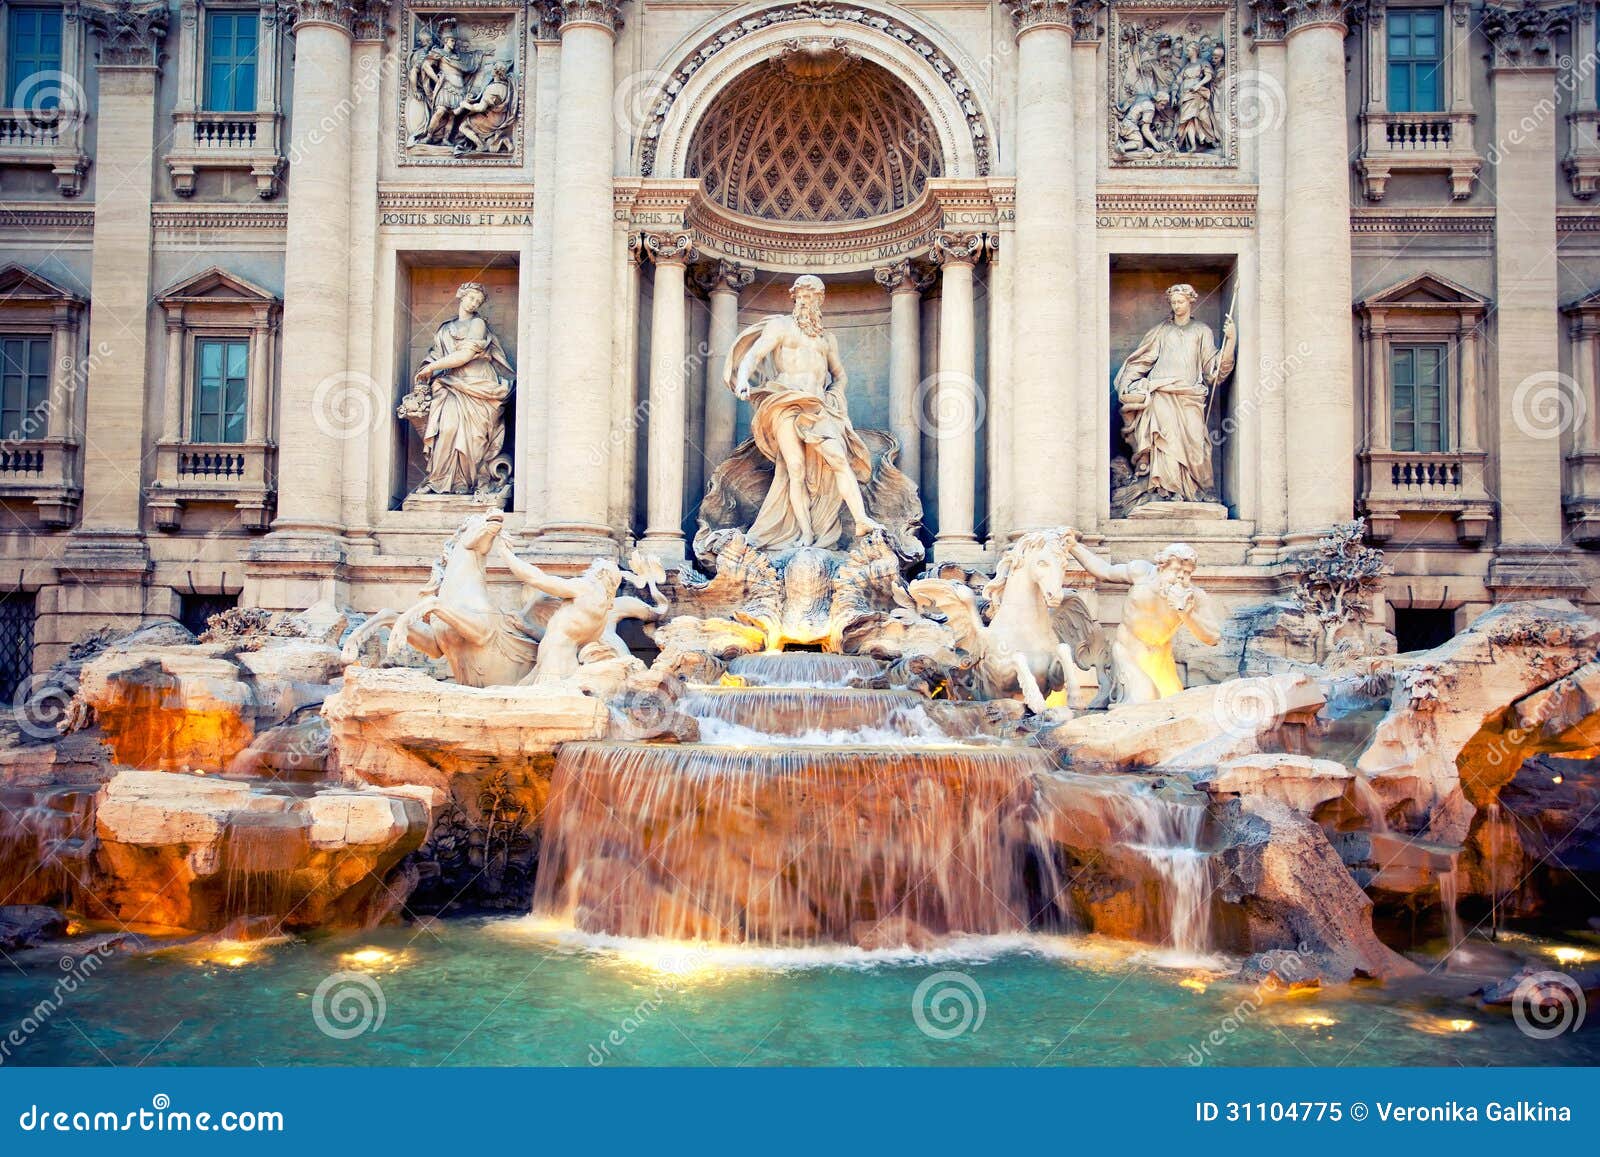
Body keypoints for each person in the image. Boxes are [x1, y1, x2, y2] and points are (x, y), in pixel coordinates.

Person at [724, 275, 885, 550]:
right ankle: (806, 533)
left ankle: (861, 519)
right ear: (794, 298)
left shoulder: (827, 339)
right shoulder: (780, 326)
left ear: (820, 300)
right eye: (799, 296)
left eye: (809, 296)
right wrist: (742, 380)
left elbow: (840, 375)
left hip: (818, 406)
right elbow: (755, 354)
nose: (804, 301)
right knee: (795, 469)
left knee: (838, 459)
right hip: (785, 401)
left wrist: (835, 394)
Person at [1115, 283, 1236, 505]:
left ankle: (1200, 489)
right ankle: (1167, 491)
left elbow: (1214, 370)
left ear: (1190, 301)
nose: (1176, 306)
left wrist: (1231, 341)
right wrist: (1127, 381)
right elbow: (1142, 360)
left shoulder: (1202, 331)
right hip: (1161, 392)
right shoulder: (1161, 331)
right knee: (1165, 442)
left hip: (1190, 395)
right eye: (1173, 302)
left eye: (1180, 301)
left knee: (1196, 441)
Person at [1064, 535, 1220, 703]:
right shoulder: (1141, 572)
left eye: (1187, 572)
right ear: (1162, 567)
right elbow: (1104, 571)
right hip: (1128, 653)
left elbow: (1213, 637)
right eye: (1175, 570)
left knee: (1170, 705)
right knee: (1145, 698)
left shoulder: (1194, 596)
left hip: (1161, 660)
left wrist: (1187, 614)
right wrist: (1073, 546)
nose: (1181, 577)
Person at [405, 282, 515, 496]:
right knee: (446, 429)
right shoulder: (445, 329)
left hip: (477, 385)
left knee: (474, 437)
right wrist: (428, 370)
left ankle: (467, 483)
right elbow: (436, 356)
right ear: (460, 295)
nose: (474, 303)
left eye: (478, 301)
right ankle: (440, 480)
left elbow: (465, 355)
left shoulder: (478, 324)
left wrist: (432, 368)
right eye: (471, 298)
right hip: (450, 384)